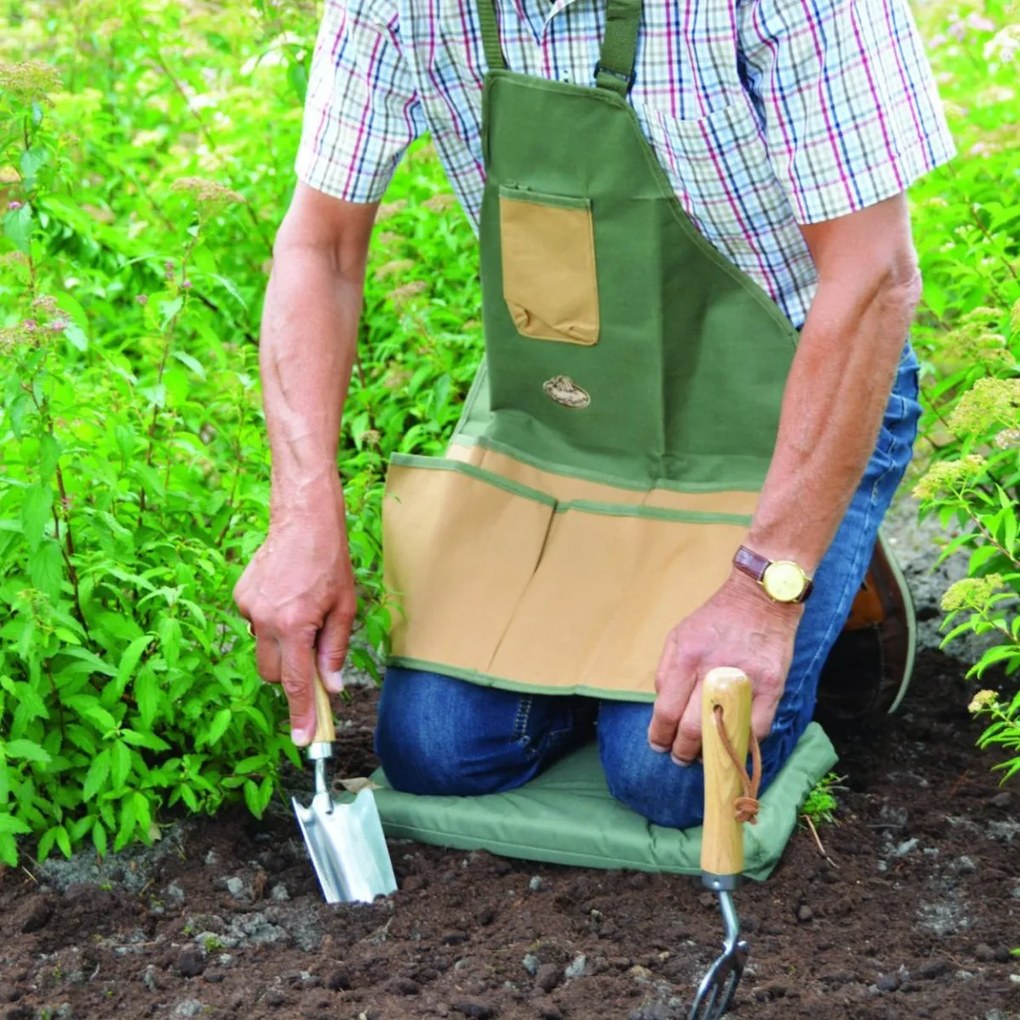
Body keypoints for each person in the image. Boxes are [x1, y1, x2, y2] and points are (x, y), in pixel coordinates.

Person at [234, 0, 954, 827]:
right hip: (565, 411)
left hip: (787, 394)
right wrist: (300, 515)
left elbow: (876, 278)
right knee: (436, 748)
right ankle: (625, 648)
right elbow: (318, 246)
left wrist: (765, 592)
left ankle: (824, 571)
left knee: (672, 776)